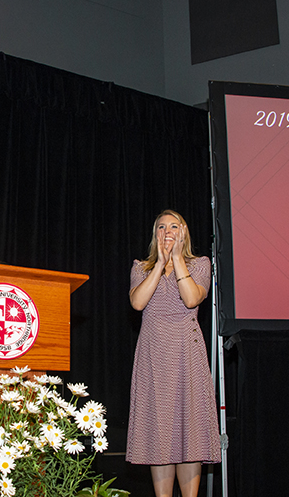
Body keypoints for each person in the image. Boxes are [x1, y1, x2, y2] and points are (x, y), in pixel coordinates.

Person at [127, 209, 221, 497]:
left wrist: (177, 258)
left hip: (186, 354)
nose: (167, 231)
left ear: (184, 233)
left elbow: (192, 298)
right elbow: (138, 303)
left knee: (189, 428)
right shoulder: (140, 268)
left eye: (174, 226)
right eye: (161, 227)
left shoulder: (200, 264)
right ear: (155, 234)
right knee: (160, 430)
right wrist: (160, 264)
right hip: (154, 354)